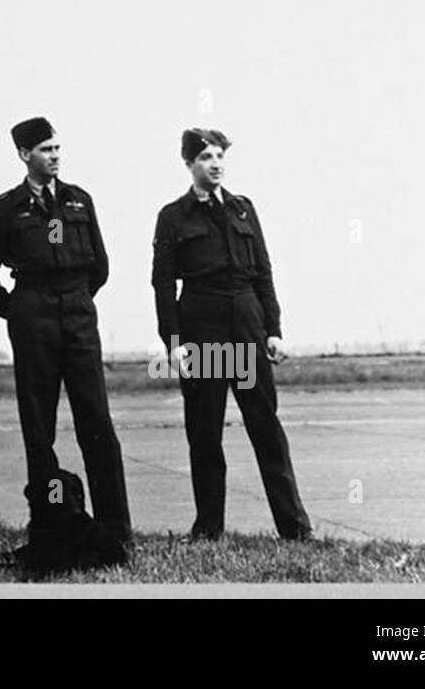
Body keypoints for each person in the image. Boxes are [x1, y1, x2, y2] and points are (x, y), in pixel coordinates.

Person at [0, 117, 131, 553]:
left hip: (77, 314)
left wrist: (74, 299)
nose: (54, 156)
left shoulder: (80, 201)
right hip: (33, 316)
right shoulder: (7, 208)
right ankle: (51, 527)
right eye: (45, 150)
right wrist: (16, 310)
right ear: (24, 155)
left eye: (57, 149)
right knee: (39, 429)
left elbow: (101, 267)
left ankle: (116, 531)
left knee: (96, 422)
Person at [150, 127, 312, 541]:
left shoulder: (243, 209)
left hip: (246, 327)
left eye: (220, 155)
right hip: (202, 331)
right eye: (205, 157)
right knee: (204, 434)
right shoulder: (173, 217)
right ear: (188, 164)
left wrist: (273, 329)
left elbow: (264, 271)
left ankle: (294, 528)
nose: (216, 163)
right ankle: (208, 530)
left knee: (266, 431)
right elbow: (164, 283)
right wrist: (172, 342)